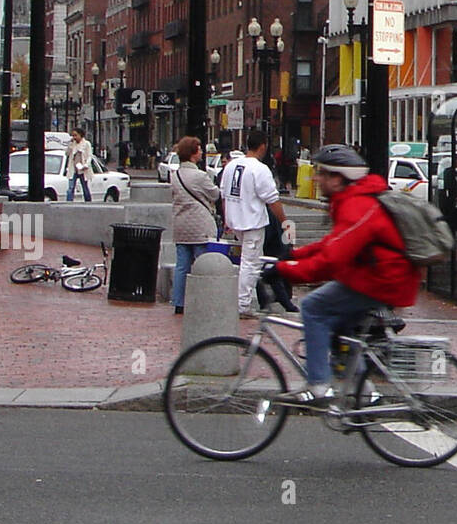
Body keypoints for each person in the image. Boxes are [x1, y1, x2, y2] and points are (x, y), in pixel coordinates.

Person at [268, 144, 418, 405]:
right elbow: (333, 243)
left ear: (338, 178)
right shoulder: (350, 201)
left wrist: (284, 270)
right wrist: (294, 256)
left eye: (322, 174)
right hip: (370, 275)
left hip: (383, 280)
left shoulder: (357, 207)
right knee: (341, 330)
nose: (316, 178)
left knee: (314, 307)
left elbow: (331, 261)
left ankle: (318, 386)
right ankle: (366, 393)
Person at [221, 129, 289, 318]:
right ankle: (243, 304)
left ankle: (245, 298)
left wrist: (227, 218)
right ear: (263, 147)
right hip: (252, 220)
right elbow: (272, 199)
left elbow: (224, 195)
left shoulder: (232, 166)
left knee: (246, 261)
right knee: (250, 263)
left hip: (236, 220)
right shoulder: (259, 169)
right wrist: (285, 222)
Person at [168, 135, 221, 316]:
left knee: (181, 266)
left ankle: (178, 302)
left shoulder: (174, 175)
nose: (201, 152)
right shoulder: (200, 176)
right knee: (201, 264)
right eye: (198, 149)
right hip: (200, 225)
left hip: (181, 225)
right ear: (192, 154)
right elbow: (215, 194)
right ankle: (201, 300)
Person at [65, 128, 94, 202]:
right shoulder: (73, 144)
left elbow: (89, 156)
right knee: (70, 187)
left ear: (80, 135)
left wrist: (86, 165)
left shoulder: (86, 144)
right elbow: (67, 153)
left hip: (82, 169)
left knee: (85, 187)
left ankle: (88, 201)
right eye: (73, 135)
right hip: (73, 169)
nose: (74, 137)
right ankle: (69, 202)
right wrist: (70, 145)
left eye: (75, 135)